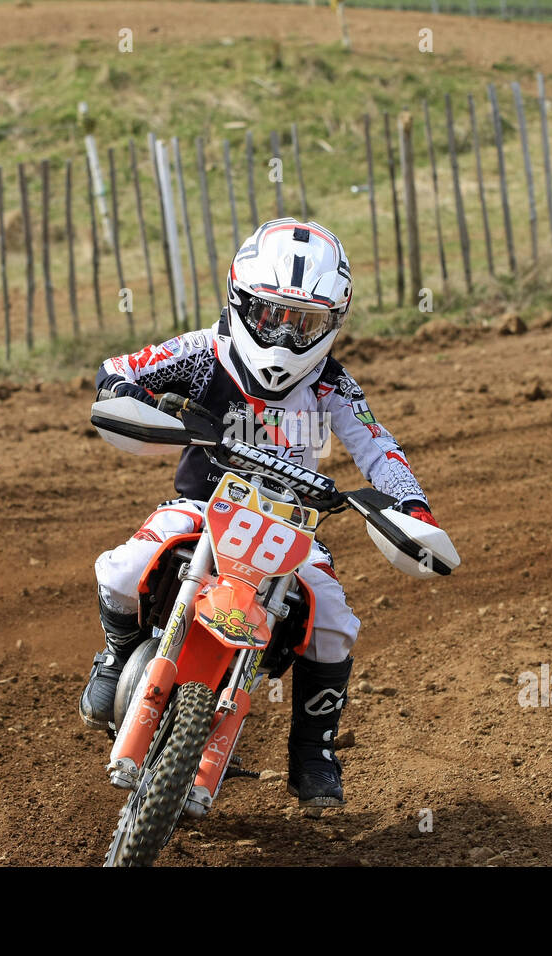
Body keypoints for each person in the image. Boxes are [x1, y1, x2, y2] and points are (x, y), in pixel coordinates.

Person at [80, 218, 441, 807]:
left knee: (334, 625)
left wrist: (411, 504)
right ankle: (119, 656)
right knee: (122, 570)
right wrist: (135, 396)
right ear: (240, 301)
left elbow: (379, 446)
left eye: (306, 324)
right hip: (201, 505)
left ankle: (312, 752)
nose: (285, 336)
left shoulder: (332, 387)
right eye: (272, 314)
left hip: (292, 530)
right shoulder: (204, 352)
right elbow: (118, 369)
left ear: (333, 324)